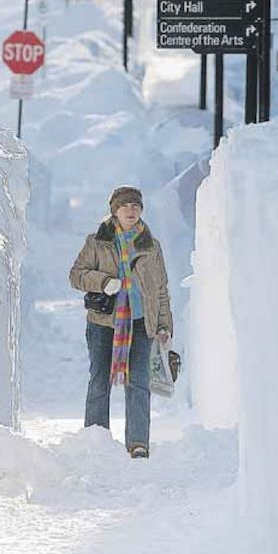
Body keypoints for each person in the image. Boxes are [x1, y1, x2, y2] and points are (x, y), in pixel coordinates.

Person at [69, 186, 173, 459]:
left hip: (141, 323)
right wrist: (103, 283)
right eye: (125, 206)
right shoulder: (97, 241)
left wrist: (164, 325)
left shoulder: (151, 246)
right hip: (104, 323)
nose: (131, 210)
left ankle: (138, 442)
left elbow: (161, 289)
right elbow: (76, 275)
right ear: (114, 210)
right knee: (99, 381)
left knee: (139, 382)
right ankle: (95, 437)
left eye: (136, 206)